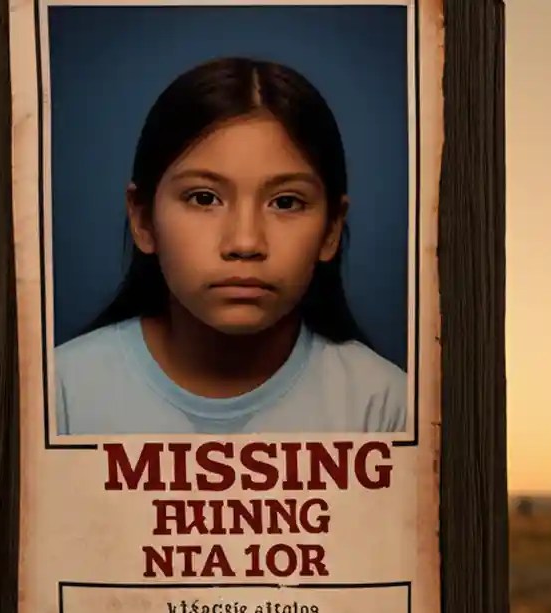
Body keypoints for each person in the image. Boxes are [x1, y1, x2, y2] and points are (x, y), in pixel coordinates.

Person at [53, 56, 407, 436]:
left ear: (330, 230)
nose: (245, 243)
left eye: (286, 202)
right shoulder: (58, 394)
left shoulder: (384, 406)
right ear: (143, 219)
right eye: (204, 198)